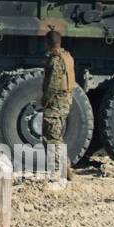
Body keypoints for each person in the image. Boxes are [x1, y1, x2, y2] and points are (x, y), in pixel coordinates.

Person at [40, 29, 76, 187]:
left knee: (51, 137)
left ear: (48, 44)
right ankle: (64, 168)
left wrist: (45, 101)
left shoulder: (55, 60)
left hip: (56, 102)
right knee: (56, 135)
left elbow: (52, 85)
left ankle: (61, 169)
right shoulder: (67, 56)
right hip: (65, 101)